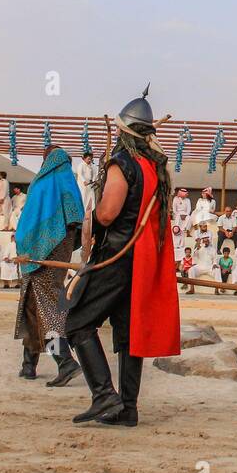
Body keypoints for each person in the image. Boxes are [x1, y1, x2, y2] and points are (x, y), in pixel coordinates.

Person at [64, 89, 180, 427]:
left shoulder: (123, 163)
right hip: (140, 261)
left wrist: (93, 214)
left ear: (124, 131)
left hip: (116, 257)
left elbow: (108, 213)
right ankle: (128, 408)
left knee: (77, 322)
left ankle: (104, 396)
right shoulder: (155, 168)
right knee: (128, 333)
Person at [13, 145, 84, 386]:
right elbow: (77, 222)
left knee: (46, 310)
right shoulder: (70, 183)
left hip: (39, 255)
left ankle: (65, 361)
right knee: (33, 307)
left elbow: (30, 221)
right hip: (59, 254)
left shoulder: (42, 184)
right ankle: (28, 364)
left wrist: (28, 247)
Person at [76, 152, 98, 216]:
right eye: (88, 159)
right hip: (82, 185)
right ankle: (82, 213)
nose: (89, 160)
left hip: (90, 185)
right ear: (84, 159)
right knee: (83, 197)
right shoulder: (81, 165)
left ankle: (91, 213)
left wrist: (94, 180)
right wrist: (84, 181)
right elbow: (80, 174)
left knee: (91, 197)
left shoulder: (93, 166)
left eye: (91, 159)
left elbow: (95, 174)